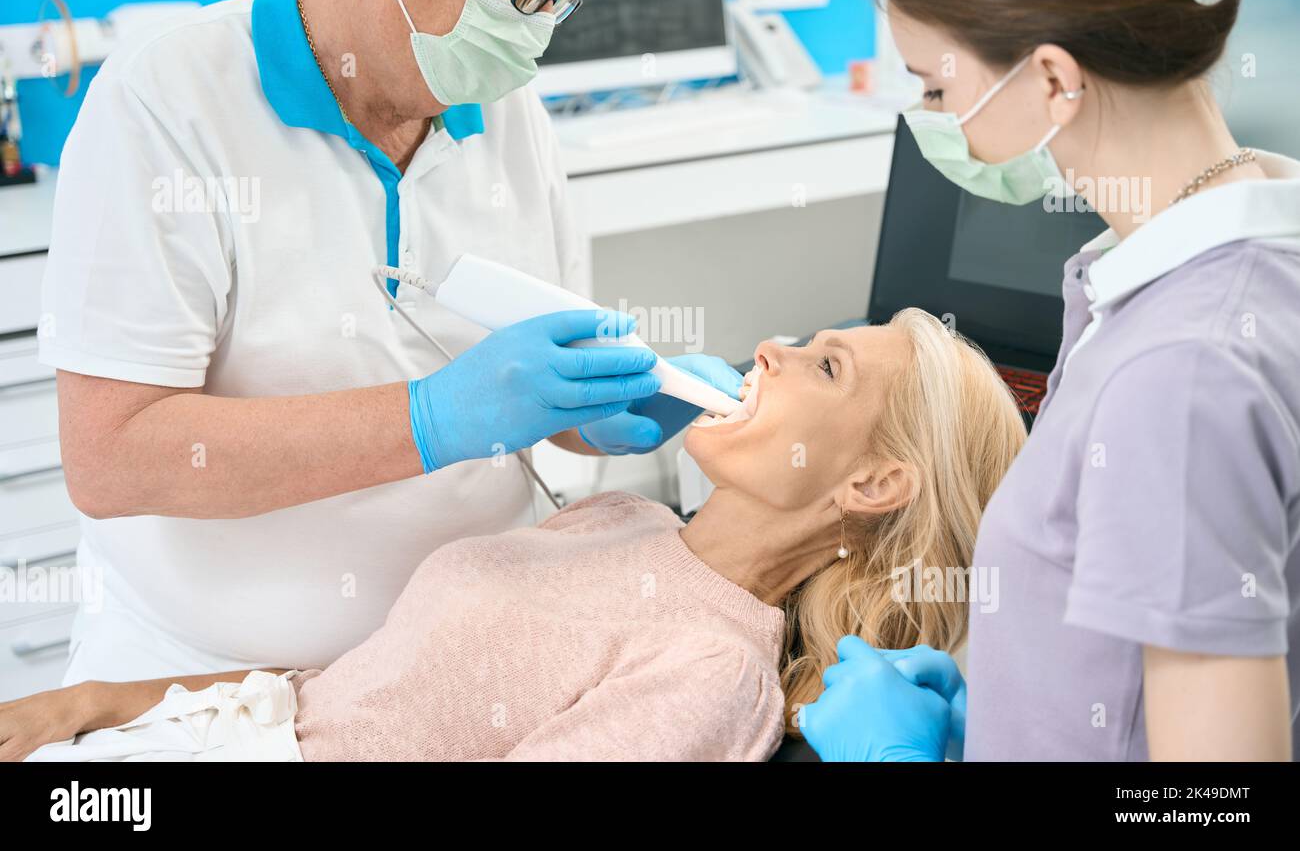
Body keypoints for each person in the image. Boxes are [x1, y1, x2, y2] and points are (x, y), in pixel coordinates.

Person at [38, 0, 739, 688]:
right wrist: (429, 419)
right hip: (220, 677)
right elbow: (111, 459)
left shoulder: (507, 110)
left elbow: (539, 377)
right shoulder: (167, 101)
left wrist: (599, 411)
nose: (534, 37)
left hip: (479, 650)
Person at [3, 311, 1025, 762]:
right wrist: (95, 703)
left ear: (874, 480)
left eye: (826, 366)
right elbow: (364, 691)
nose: (772, 348)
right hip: (215, 728)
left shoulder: (715, 670)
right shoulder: (624, 514)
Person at [802, 0, 1299, 761]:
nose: (932, 120)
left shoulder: (1177, 374)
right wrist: (1008, 709)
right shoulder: (1214, 270)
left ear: (1053, 80)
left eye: (936, 86)